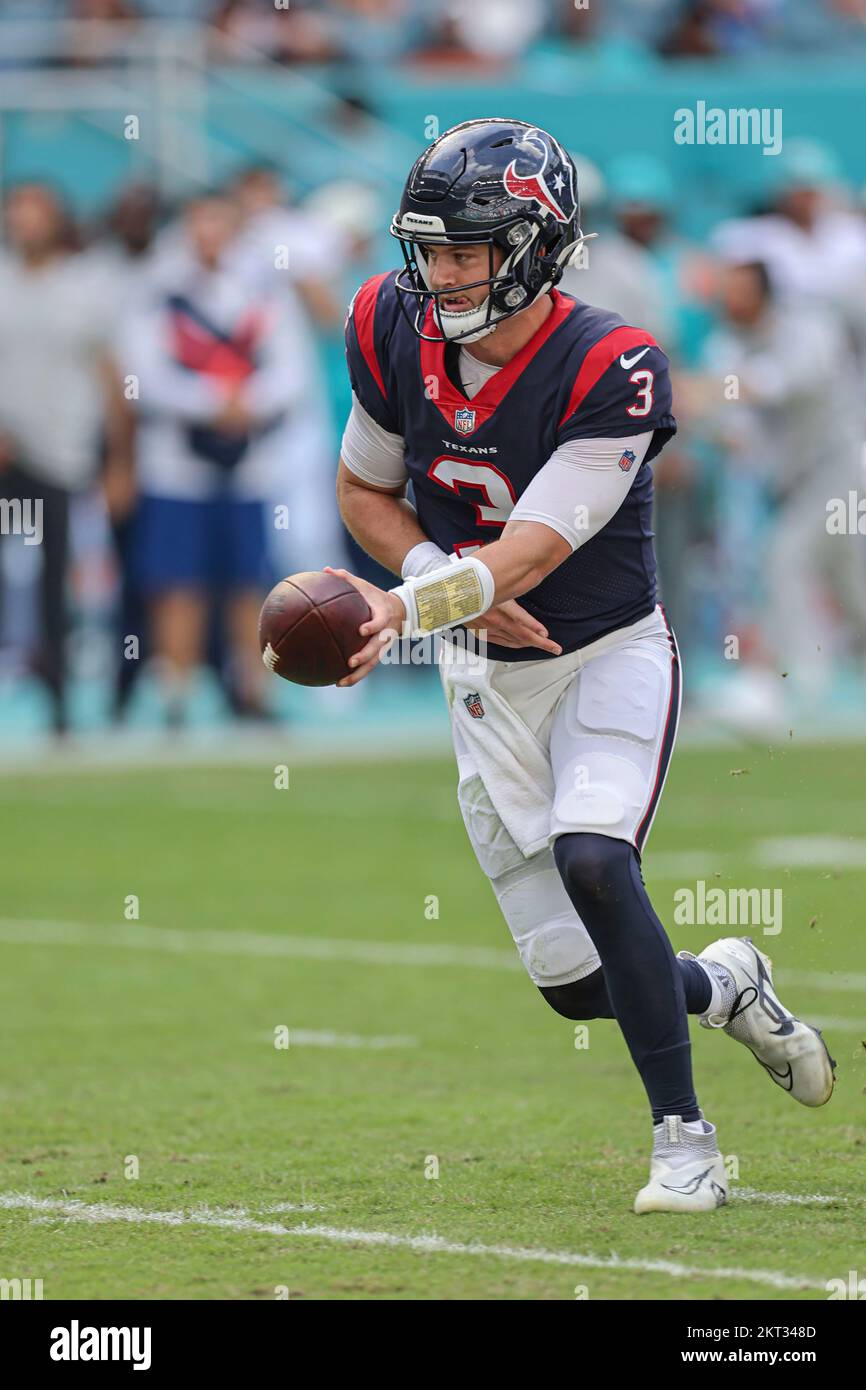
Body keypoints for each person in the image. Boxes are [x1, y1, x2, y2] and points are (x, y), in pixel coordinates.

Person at [326, 119, 836, 1214]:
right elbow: (363, 492)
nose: (444, 274)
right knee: (570, 986)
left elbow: (535, 548)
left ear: (539, 245)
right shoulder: (384, 319)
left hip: (604, 650)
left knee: (599, 863)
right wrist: (430, 580)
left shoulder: (614, 363)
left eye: (470, 249)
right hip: (484, 683)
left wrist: (402, 608)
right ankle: (726, 984)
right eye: (431, 248)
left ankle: (683, 1139)